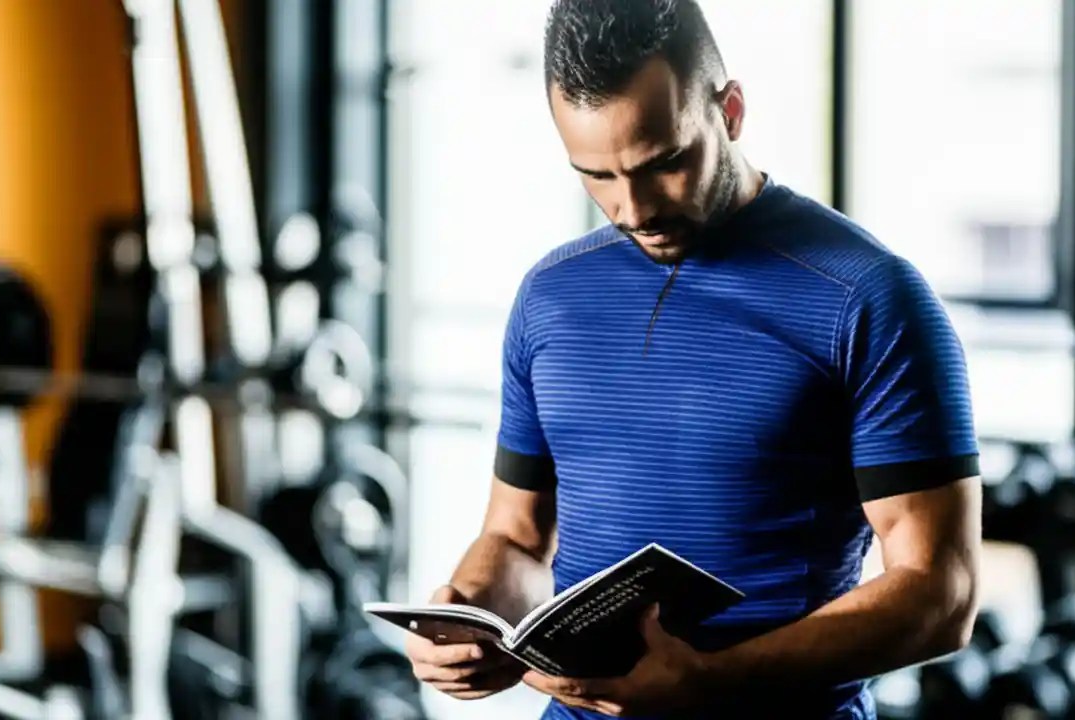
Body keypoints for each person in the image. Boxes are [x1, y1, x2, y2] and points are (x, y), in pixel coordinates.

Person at [404, 0, 983, 717]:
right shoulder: (549, 296)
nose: (633, 209)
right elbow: (517, 539)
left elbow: (941, 591)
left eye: (664, 164)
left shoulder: (871, 298)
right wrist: (468, 616)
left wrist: (715, 679)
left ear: (730, 111)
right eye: (597, 176)